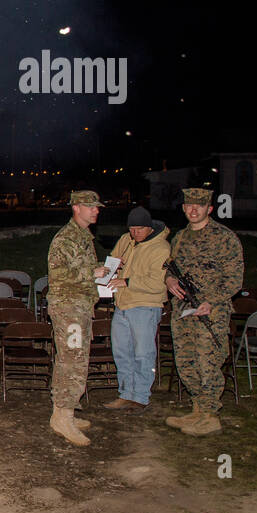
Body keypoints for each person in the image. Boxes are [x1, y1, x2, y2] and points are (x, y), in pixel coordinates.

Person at [163, 188, 244, 436]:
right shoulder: (179, 239)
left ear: (209, 209)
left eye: (199, 206)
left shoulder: (224, 238)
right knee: (186, 361)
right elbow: (171, 268)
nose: (193, 210)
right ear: (184, 208)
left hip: (212, 312)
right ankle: (198, 409)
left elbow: (234, 280)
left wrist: (211, 301)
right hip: (183, 311)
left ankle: (210, 415)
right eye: (189, 206)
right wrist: (169, 281)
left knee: (208, 361)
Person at [46, 190, 111, 446]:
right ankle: (63, 416)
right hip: (68, 309)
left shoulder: (84, 236)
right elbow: (57, 274)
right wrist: (91, 271)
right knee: (72, 360)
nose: (96, 210)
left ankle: (63, 412)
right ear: (76, 208)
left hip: (80, 307)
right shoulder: (66, 238)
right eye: (91, 206)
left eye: (97, 207)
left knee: (75, 358)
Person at [103, 206, 170, 411]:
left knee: (143, 353)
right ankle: (126, 393)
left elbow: (158, 283)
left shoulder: (162, 249)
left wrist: (127, 281)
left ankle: (140, 395)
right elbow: (111, 264)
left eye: (139, 229)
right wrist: (114, 265)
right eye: (131, 229)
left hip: (145, 306)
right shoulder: (126, 240)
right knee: (122, 351)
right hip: (122, 304)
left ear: (149, 227)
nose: (134, 233)